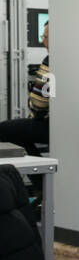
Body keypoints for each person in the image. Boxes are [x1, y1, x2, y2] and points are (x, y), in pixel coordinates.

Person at [0, 20, 50, 157]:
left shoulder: (50, 61)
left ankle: (40, 176)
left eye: (45, 37)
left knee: (3, 130)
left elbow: (39, 103)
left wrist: (30, 104)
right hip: (69, 124)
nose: (43, 41)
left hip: (49, 125)